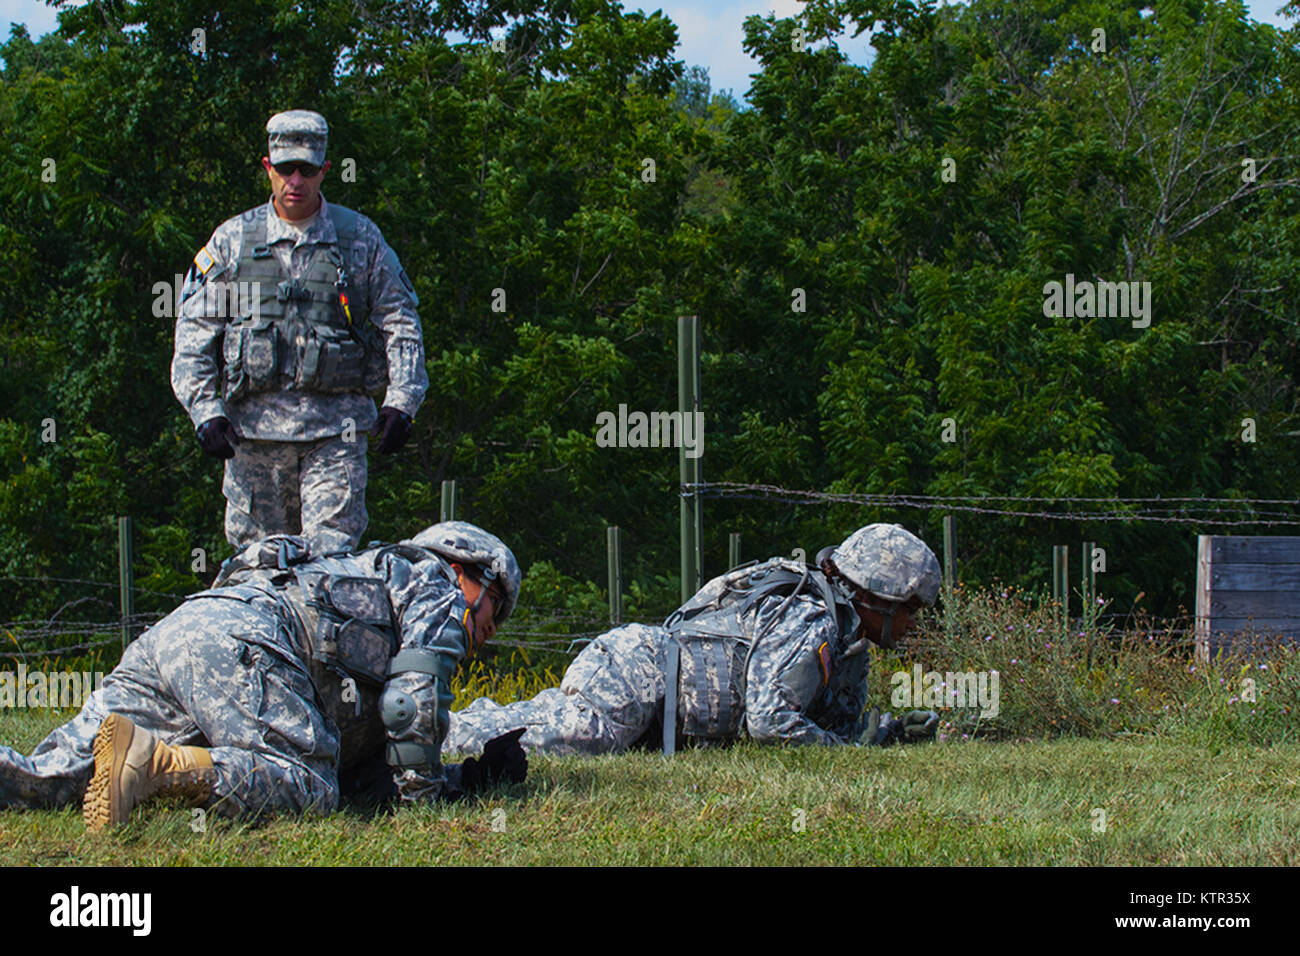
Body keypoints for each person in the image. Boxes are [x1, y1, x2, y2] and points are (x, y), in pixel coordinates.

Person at [0, 522, 525, 830]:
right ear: (464, 570)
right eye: (494, 608)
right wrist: (426, 805)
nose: (491, 630)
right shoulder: (433, 582)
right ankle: (159, 765)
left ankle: (41, 773)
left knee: (54, 775)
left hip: (185, 630)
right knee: (311, 788)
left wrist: (469, 778)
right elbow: (410, 706)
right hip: (252, 644)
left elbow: (364, 774)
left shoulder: (362, 571)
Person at [443, 523, 942, 758]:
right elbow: (771, 722)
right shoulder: (811, 620)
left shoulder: (848, 643)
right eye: (911, 610)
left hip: (654, 692)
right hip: (642, 675)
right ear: (877, 597)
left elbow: (830, 725)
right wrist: (851, 754)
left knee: (543, 723)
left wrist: (887, 731)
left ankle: (443, 725)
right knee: (555, 741)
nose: (913, 625)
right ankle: (440, 732)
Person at [171, 108, 429, 554]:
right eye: (285, 168)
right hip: (252, 440)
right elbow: (194, 330)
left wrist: (403, 402)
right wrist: (204, 410)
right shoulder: (232, 241)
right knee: (257, 569)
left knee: (329, 566)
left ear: (324, 170)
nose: (296, 180)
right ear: (267, 168)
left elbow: (401, 318)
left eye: (306, 170)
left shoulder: (359, 239)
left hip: (335, 437)